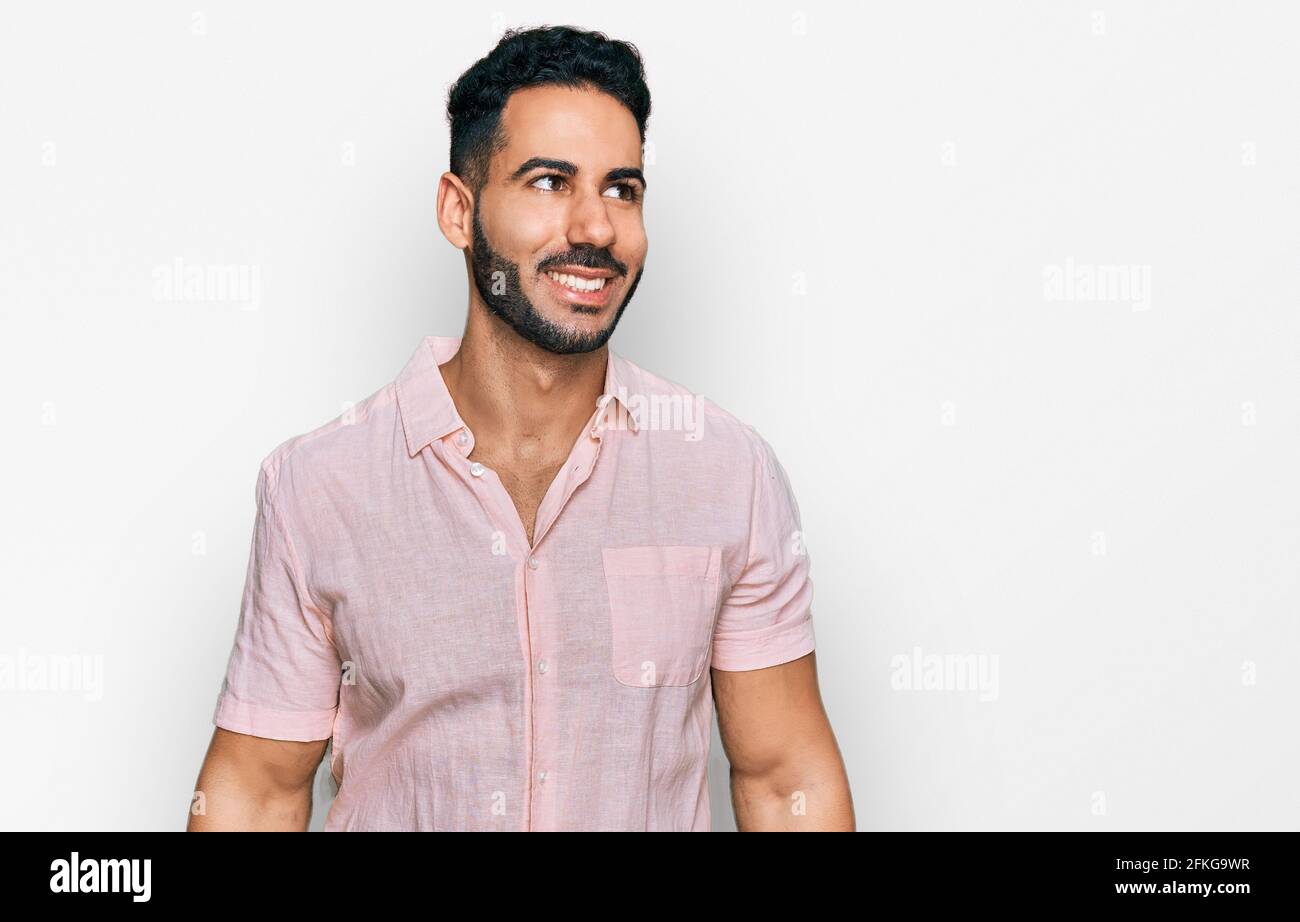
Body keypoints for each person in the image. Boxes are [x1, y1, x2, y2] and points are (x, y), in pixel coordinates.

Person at [189, 24, 853, 832]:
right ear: (459, 211)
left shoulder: (727, 473)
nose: (597, 227)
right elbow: (254, 792)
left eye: (622, 189)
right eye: (549, 182)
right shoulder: (319, 485)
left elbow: (786, 779)